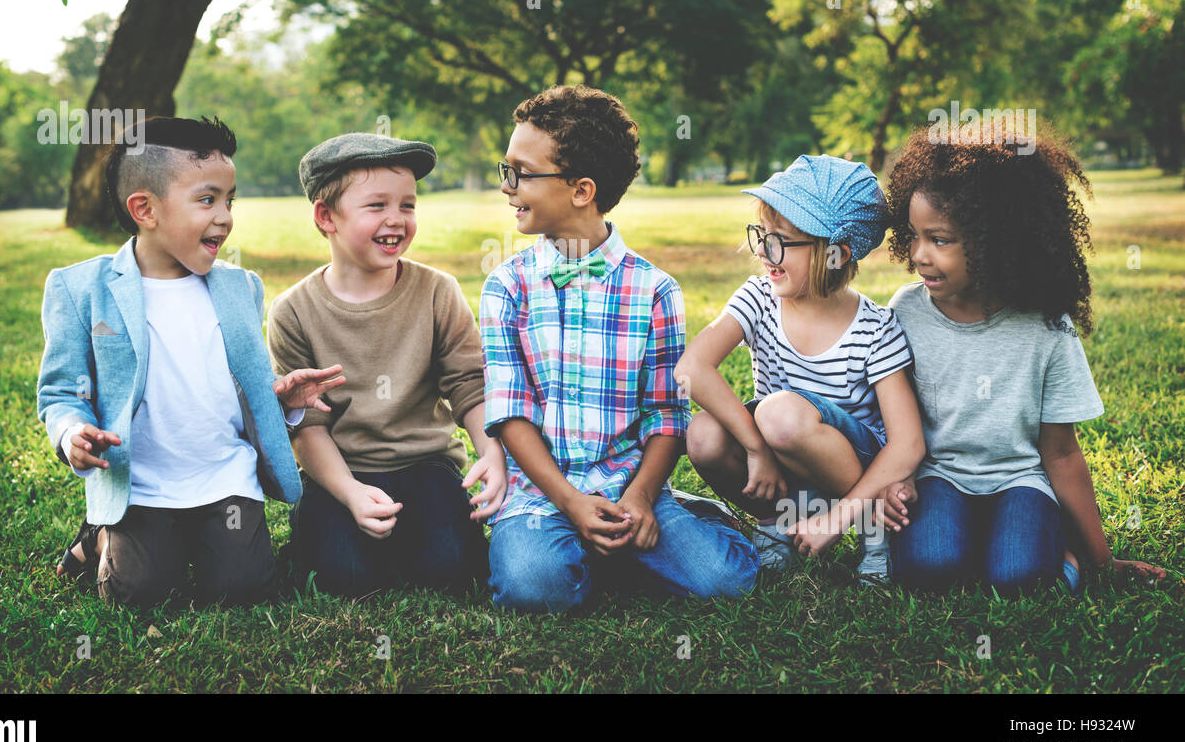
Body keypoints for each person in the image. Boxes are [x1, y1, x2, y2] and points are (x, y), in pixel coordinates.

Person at [38, 116, 343, 606]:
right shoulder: (80, 290)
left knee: (243, 589)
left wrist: (280, 397)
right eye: (207, 200)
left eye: (230, 200)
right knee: (137, 592)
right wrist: (73, 432)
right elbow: (58, 393)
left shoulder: (240, 287)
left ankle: (191, 540)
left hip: (224, 477)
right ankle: (97, 534)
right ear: (145, 208)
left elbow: (243, 387)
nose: (225, 217)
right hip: (143, 484)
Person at [482, 85, 760, 614]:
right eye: (505, 169)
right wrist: (570, 501)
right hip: (543, 495)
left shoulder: (655, 290)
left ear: (581, 190)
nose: (506, 186)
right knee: (534, 587)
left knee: (726, 581)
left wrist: (640, 497)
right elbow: (510, 411)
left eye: (520, 172)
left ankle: (670, 525)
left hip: (632, 487)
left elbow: (666, 413)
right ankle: (586, 549)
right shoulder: (507, 286)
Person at [880, 123, 1168, 595]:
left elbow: (1060, 452)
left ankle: (1058, 553)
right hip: (939, 478)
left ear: (998, 241)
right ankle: (977, 543)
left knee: (1021, 577)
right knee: (928, 567)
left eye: (941, 239)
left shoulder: (1045, 327)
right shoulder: (905, 311)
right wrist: (896, 482)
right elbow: (892, 422)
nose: (919, 255)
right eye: (913, 236)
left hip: (1019, 480)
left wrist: (1101, 561)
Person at [267, 133, 507, 596]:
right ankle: (325, 533)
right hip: (343, 468)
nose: (396, 220)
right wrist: (351, 494)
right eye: (376, 206)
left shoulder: (438, 291)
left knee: (452, 571)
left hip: (426, 464)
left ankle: (414, 541)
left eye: (408, 206)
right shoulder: (292, 311)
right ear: (325, 216)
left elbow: (468, 387)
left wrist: (491, 453)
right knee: (345, 579)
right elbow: (307, 426)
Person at [678, 154, 925, 582]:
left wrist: (841, 516)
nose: (762, 251)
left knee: (780, 414)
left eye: (780, 241)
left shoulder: (875, 328)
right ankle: (777, 522)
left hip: (853, 468)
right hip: (780, 454)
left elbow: (907, 445)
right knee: (702, 435)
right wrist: (755, 449)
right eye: (762, 235)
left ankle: (871, 532)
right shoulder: (759, 297)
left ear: (835, 254)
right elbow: (693, 368)